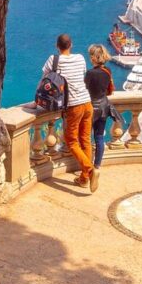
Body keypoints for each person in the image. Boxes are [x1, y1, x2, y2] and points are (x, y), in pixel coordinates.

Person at [44, 33, 94, 189]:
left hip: (73, 105)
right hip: (87, 102)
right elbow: (82, 75)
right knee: (85, 139)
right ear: (71, 45)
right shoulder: (80, 58)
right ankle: (85, 179)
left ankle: (90, 170)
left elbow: (46, 80)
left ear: (57, 46)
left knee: (71, 141)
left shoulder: (54, 60)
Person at [85, 44, 117, 190]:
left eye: (90, 55)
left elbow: (85, 91)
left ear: (94, 57)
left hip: (91, 108)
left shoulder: (90, 73)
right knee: (99, 138)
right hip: (104, 107)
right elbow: (109, 91)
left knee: (85, 139)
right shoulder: (107, 71)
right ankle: (97, 167)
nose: (89, 58)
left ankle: (86, 172)